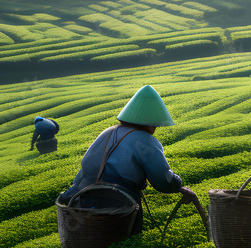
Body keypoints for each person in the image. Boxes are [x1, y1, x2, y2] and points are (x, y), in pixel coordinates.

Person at [59, 85, 194, 234]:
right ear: (146, 121)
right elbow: (163, 181)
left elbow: (85, 167)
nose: (155, 127)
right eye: (154, 123)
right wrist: (177, 183)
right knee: (122, 242)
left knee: (91, 242)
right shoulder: (145, 141)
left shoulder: (108, 132)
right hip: (119, 205)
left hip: (83, 199)